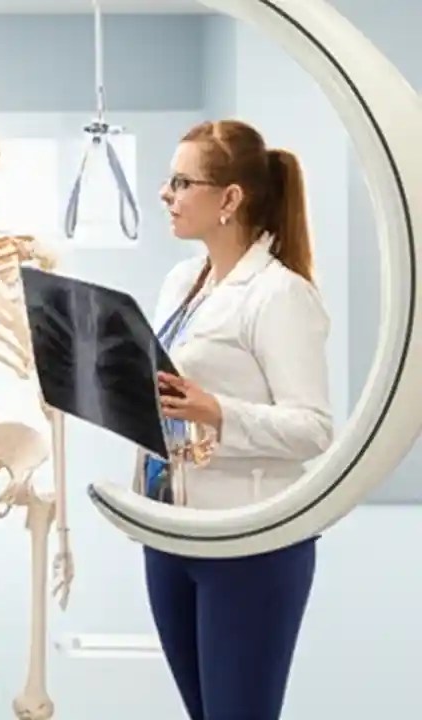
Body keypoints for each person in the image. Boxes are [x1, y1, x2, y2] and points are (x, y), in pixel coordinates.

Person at [141, 119, 333, 720]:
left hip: (250, 542)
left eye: (181, 181)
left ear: (229, 199)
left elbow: (313, 428)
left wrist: (216, 411)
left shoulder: (280, 295)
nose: (166, 195)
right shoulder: (182, 282)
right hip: (172, 527)